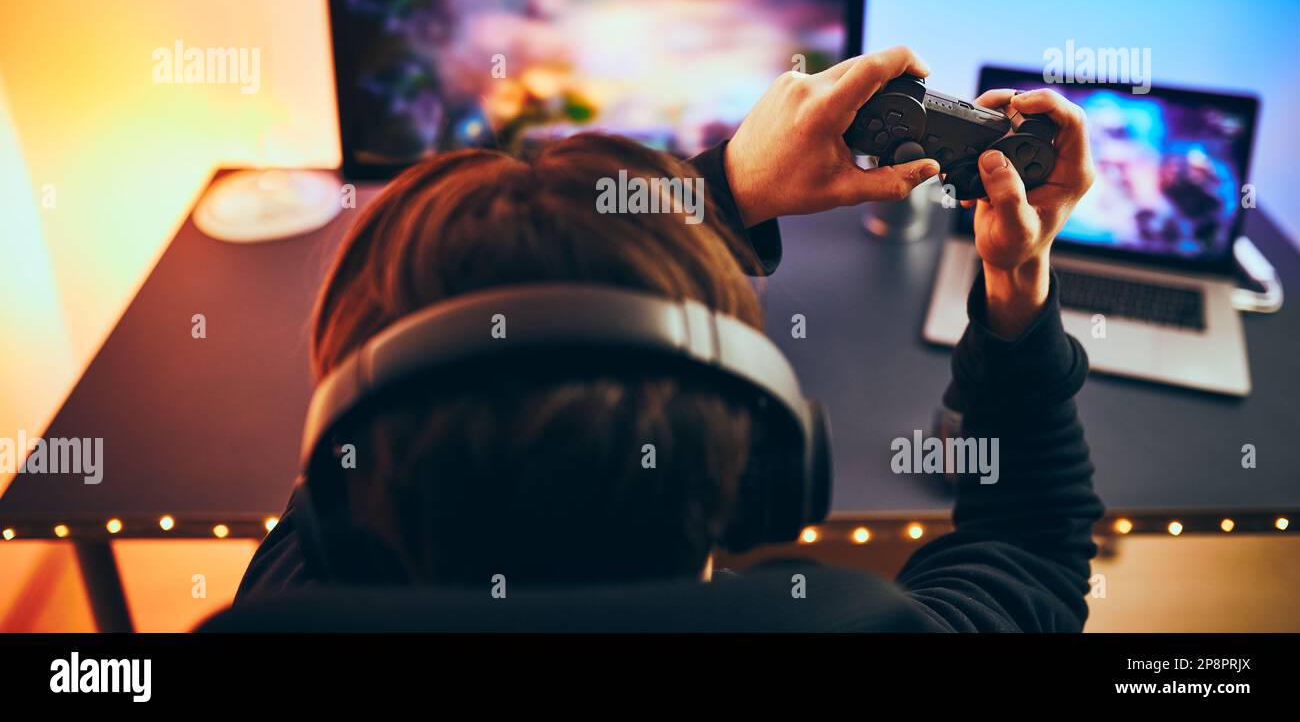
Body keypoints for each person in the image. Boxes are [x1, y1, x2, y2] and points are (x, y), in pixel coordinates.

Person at [236, 46, 1103, 631]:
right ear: (765, 470)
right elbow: (1031, 543)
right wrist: (1016, 284)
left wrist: (720, 190)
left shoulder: (277, 606)